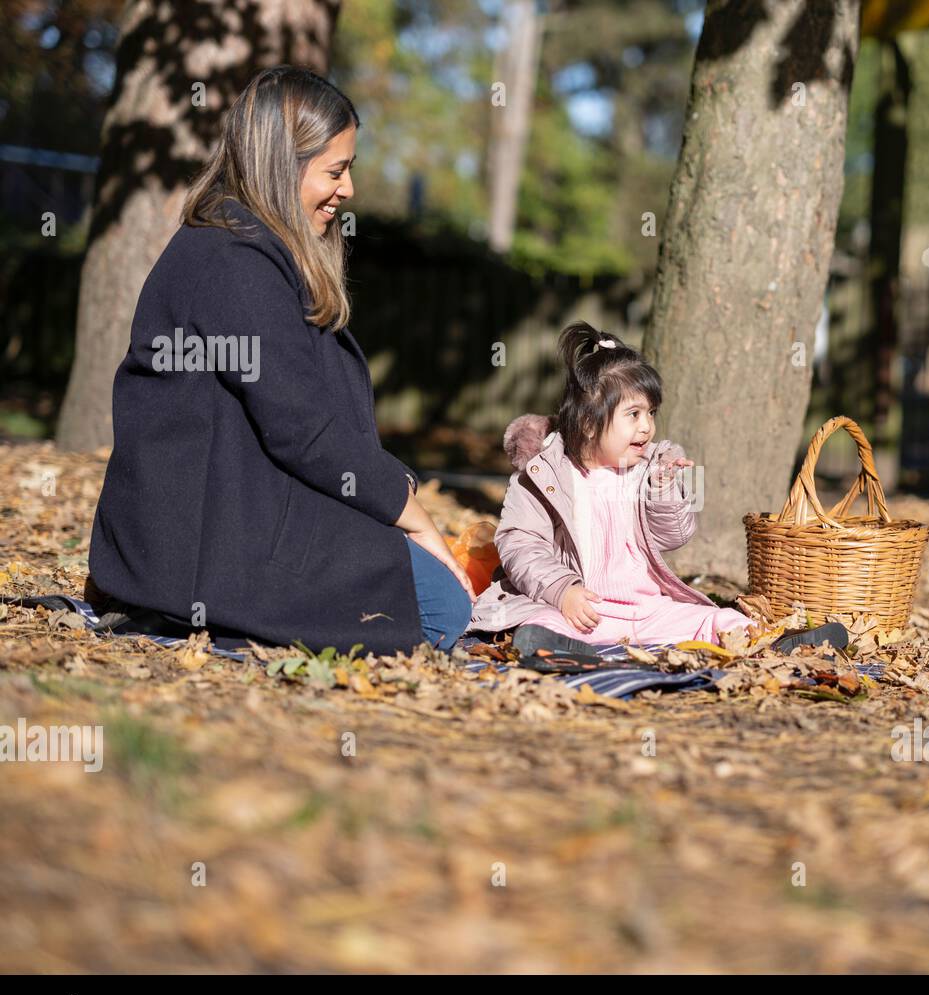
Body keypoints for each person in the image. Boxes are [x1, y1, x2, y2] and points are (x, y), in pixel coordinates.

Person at [88, 66, 471, 656]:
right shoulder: (234, 261)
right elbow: (303, 429)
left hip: (238, 509)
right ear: (281, 165)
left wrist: (393, 493)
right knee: (444, 610)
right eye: (335, 171)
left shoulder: (242, 245)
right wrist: (413, 518)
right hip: (205, 544)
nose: (349, 190)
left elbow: (305, 420)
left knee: (442, 587)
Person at [467, 321, 761, 652]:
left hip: (646, 611)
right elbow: (521, 542)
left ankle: (759, 637)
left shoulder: (647, 468)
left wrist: (662, 490)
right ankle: (553, 645)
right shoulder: (544, 475)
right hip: (582, 610)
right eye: (633, 414)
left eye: (651, 413)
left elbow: (674, 536)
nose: (647, 426)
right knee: (541, 621)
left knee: (711, 618)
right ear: (589, 424)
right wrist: (562, 590)